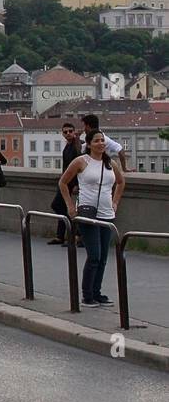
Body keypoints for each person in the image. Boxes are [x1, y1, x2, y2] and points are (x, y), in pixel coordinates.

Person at [59, 131, 125, 306]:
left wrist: (115, 202)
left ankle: (97, 292)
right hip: (88, 213)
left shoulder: (111, 163)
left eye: (103, 140)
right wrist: (70, 206)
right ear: (89, 144)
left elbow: (120, 182)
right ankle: (87, 295)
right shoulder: (81, 162)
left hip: (107, 214)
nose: (101, 143)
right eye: (96, 141)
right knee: (94, 255)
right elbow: (63, 182)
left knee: (103, 256)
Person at [48, 122, 82, 245]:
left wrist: (77, 184)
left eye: (70, 131)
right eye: (65, 132)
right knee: (60, 206)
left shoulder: (77, 146)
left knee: (58, 206)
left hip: (72, 182)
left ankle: (74, 232)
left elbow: (80, 167)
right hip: (65, 181)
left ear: (74, 132)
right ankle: (61, 235)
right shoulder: (68, 147)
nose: (68, 134)